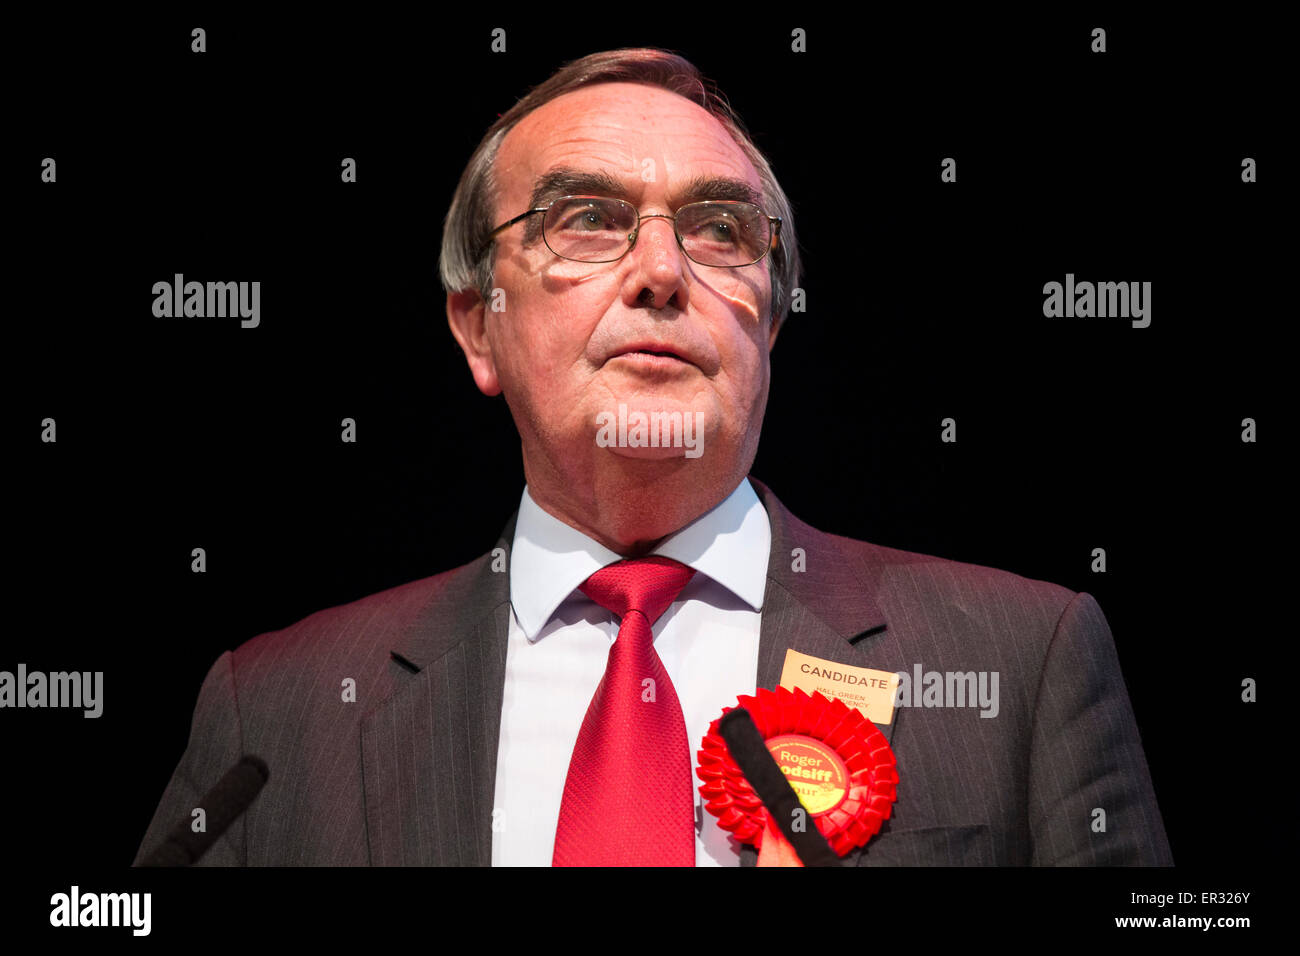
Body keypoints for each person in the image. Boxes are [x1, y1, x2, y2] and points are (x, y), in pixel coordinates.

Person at [134, 48, 1172, 867]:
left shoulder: (1022, 660)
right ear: (477, 326)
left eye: (722, 229)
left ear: (770, 320)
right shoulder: (278, 706)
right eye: (587, 219)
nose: (661, 271)